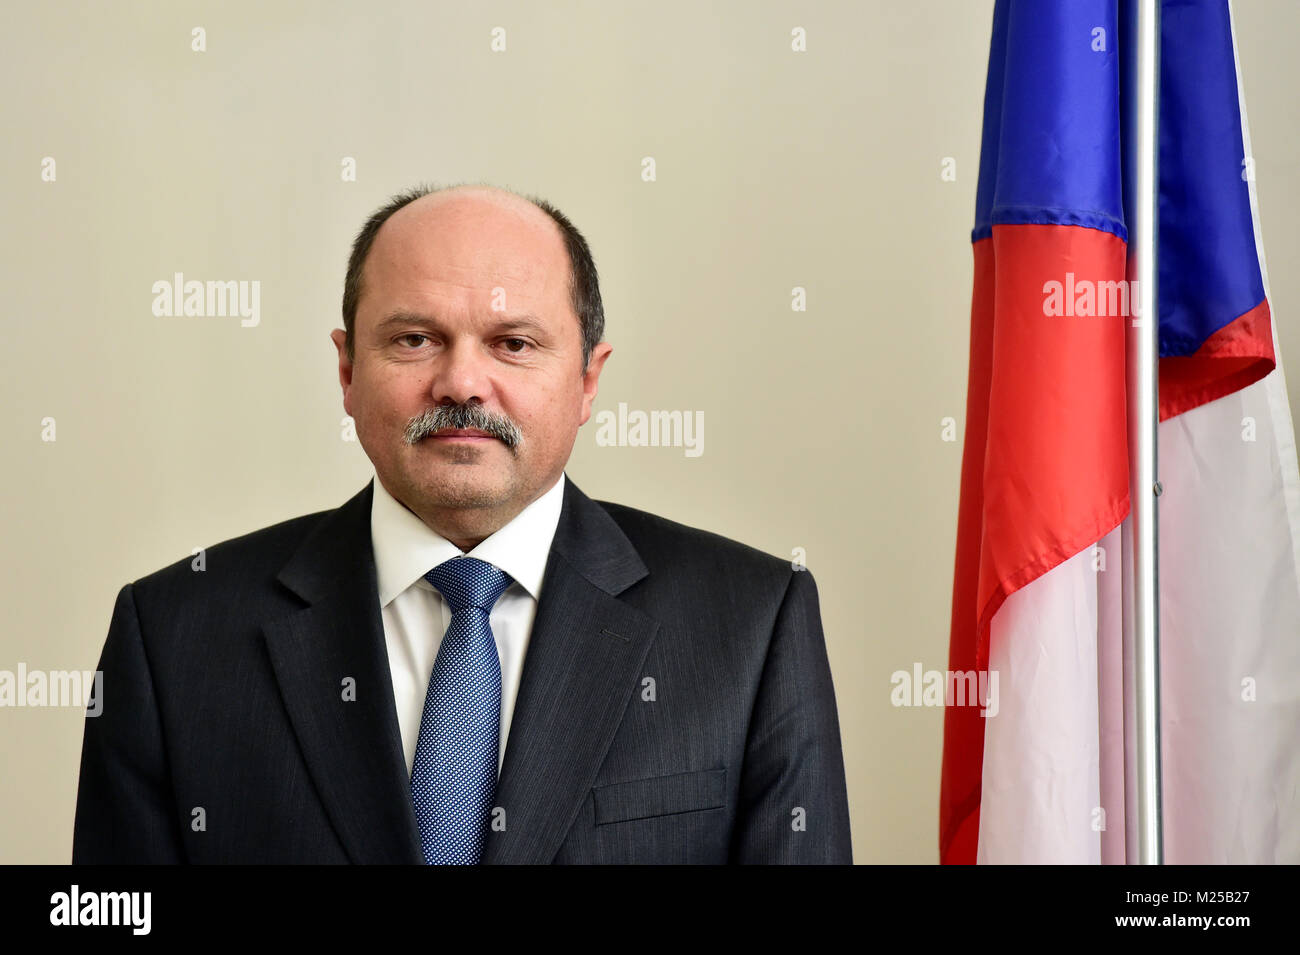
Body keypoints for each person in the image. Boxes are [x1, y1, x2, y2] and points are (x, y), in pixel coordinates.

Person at [71, 183, 853, 864]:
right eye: (415, 339)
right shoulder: (172, 634)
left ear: (587, 379)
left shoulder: (751, 623)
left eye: (513, 343)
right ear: (347, 370)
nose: (462, 382)